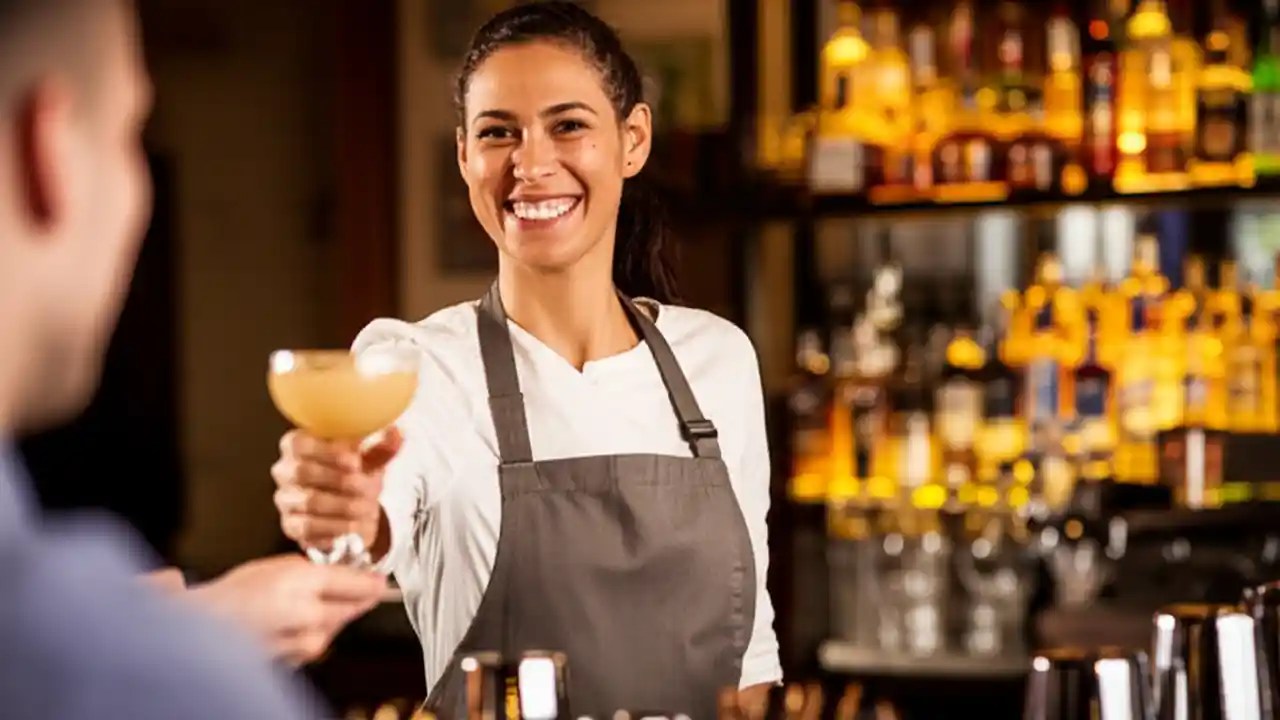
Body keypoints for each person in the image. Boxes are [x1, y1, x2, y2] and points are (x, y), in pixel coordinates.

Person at [271, 3, 782, 718]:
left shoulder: (718, 362)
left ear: (632, 140)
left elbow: (749, 658)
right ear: (464, 156)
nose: (531, 165)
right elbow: (366, 522)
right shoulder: (416, 366)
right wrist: (343, 517)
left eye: (568, 125)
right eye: (497, 133)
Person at [0, 0, 382, 716]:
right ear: (48, 151)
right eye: (129, 135)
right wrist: (180, 652)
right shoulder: (168, 685)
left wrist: (198, 618)